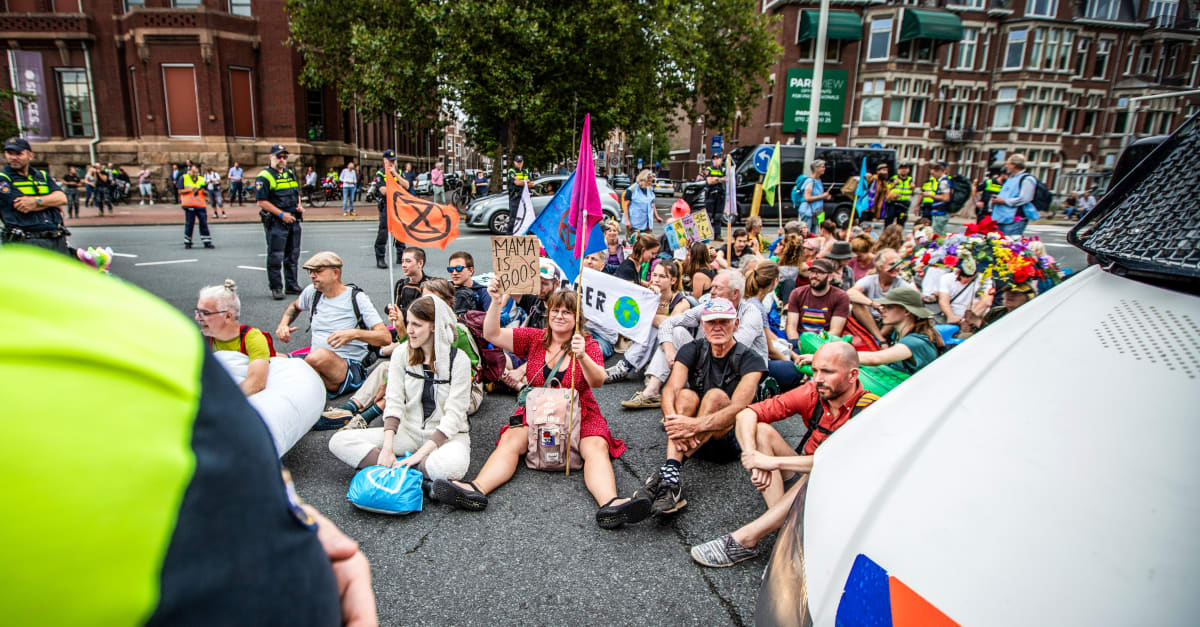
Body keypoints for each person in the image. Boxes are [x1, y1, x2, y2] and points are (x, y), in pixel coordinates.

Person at [0, 246, 376, 625]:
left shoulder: (245, 337)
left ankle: (350, 408)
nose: (197, 318)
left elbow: (254, 391)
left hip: (343, 365)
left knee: (310, 361)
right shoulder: (182, 342)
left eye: (204, 313)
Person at [429, 283, 654, 530]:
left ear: (577, 318)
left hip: (580, 411)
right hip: (538, 410)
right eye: (555, 310)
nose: (559, 316)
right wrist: (495, 302)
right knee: (511, 441)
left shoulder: (587, 345)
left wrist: (582, 357)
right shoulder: (535, 338)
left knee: (596, 447)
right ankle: (476, 490)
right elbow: (491, 334)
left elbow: (598, 380)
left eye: (567, 312)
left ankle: (610, 505)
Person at [689, 341, 877, 567]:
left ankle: (746, 539)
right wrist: (751, 456)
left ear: (852, 375)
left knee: (817, 474)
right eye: (815, 370)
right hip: (804, 471)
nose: (817, 378)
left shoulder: (869, 410)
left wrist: (770, 462)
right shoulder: (813, 391)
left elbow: (837, 463)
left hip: (840, 489)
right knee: (760, 431)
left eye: (827, 372)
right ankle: (784, 524)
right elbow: (747, 414)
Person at [629, 297, 766, 518]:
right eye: (712, 322)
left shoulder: (751, 359)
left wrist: (692, 425)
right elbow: (670, 390)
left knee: (715, 397)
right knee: (684, 395)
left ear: (736, 324)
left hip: (727, 439)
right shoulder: (693, 349)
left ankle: (665, 474)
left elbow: (739, 407)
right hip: (689, 436)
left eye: (724, 321)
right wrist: (675, 422)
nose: (718, 327)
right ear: (703, 325)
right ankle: (671, 476)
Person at [329, 295, 472, 481]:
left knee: (451, 468)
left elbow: (454, 415)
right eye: (408, 322)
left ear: (434, 326)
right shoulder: (400, 353)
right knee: (339, 441)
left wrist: (418, 455)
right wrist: (387, 449)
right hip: (407, 433)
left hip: (448, 437)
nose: (409, 331)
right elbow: (394, 401)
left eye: (417, 325)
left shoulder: (459, 360)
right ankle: (412, 474)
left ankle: (403, 470)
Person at [623, 269, 766, 409]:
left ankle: (696, 406)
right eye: (712, 286)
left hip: (738, 370)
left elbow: (732, 348)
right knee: (677, 331)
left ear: (735, 293)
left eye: (717, 288)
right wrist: (669, 349)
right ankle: (652, 391)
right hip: (710, 364)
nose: (711, 291)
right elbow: (668, 323)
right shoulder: (708, 306)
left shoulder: (751, 313)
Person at [276, 251, 391, 398]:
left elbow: (385, 337)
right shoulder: (312, 292)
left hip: (348, 366)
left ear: (335, 273)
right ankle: (303, 380)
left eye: (318, 271)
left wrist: (354, 333)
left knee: (318, 357)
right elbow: (295, 307)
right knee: (271, 358)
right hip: (313, 359)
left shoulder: (356, 298)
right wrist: (283, 324)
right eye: (310, 272)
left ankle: (299, 378)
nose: (312, 275)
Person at [605, 259, 692, 383]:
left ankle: (626, 366)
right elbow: (633, 317)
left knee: (659, 328)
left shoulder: (682, 302)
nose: (656, 280)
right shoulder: (649, 295)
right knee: (655, 326)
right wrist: (649, 298)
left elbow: (670, 324)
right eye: (654, 275)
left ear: (673, 280)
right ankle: (638, 365)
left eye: (662, 276)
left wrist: (650, 316)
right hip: (646, 342)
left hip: (673, 349)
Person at [195, 279, 273, 396]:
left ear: (227, 316)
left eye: (205, 313)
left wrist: (221, 400)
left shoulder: (252, 338)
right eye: (197, 312)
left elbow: (256, 383)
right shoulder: (201, 339)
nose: (197, 318)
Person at [0, 138, 69, 253]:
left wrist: (36, 201)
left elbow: (62, 198)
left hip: (56, 239)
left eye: (18, 154)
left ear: (30, 156)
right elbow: (22, 205)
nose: (13, 157)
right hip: (25, 242)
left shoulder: (42, 175)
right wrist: (51, 202)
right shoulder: (3, 178)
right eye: (9, 153)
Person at [854, 287, 942, 375]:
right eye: (883, 306)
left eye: (889, 307)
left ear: (906, 311)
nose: (882, 310)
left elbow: (875, 359)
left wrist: (842, 355)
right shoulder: (897, 333)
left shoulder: (915, 341)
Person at [257, 144, 304, 300]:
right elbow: (262, 201)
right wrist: (282, 214)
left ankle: (291, 284)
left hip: (293, 220)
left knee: (293, 255)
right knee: (276, 256)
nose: (282, 159)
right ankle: (277, 287)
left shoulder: (289, 173)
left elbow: (296, 192)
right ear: (271, 157)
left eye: (285, 157)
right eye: (279, 156)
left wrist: (299, 205)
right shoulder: (264, 176)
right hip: (277, 221)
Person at [846, 249, 910, 343]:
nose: (896, 267)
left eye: (898, 264)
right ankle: (879, 339)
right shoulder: (870, 280)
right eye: (891, 264)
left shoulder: (902, 284)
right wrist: (872, 303)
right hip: (868, 320)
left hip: (888, 323)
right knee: (857, 304)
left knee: (898, 310)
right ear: (880, 267)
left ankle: (879, 339)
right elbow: (850, 293)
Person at [785, 258, 849, 342]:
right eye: (812, 272)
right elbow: (791, 327)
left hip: (824, 340)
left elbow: (835, 331)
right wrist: (796, 342)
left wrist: (815, 343)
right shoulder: (797, 293)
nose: (814, 275)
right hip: (800, 338)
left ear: (830, 277)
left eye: (820, 272)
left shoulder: (841, 296)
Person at [373, 150, 408, 268]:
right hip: (386, 206)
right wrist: (398, 189)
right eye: (390, 161)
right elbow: (383, 190)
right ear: (384, 160)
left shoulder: (399, 172)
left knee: (400, 232)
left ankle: (400, 256)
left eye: (394, 161)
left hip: (398, 205)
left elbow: (407, 185)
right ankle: (380, 258)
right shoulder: (380, 174)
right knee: (383, 232)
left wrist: (395, 174)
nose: (392, 163)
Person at [991, 154, 1040, 237]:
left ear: (1014, 165)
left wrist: (1004, 201)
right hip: (1000, 218)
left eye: (1008, 164)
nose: (1006, 166)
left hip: (1014, 219)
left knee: (1010, 245)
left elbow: (1025, 198)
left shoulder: (1026, 179)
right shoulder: (1010, 179)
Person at [936, 257, 983, 326]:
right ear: (958, 271)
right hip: (952, 316)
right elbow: (943, 301)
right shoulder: (947, 278)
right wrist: (951, 316)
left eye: (968, 277)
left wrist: (968, 319)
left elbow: (985, 302)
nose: (965, 280)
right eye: (963, 276)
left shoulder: (982, 280)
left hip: (971, 318)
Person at [177, 163, 213, 250]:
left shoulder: (201, 179)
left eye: (196, 172)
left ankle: (207, 242)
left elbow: (205, 191)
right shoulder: (184, 177)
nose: (195, 174)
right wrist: (190, 189)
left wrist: (204, 192)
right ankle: (188, 242)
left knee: (204, 223)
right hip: (189, 204)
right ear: (189, 171)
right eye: (193, 172)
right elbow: (180, 191)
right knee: (190, 223)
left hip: (200, 204)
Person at [393, 247, 431, 320]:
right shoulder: (400, 284)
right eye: (402, 261)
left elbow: (423, 312)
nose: (403, 265)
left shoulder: (429, 285)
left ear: (420, 263)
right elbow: (396, 307)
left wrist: (399, 312)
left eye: (408, 261)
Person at [622, 169, 661, 235]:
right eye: (649, 181)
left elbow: (652, 204)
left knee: (648, 243)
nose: (650, 183)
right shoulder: (632, 189)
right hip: (634, 224)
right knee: (635, 244)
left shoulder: (649, 189)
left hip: (647, 225)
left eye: (651, 182)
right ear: (644, 179)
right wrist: (627, 221)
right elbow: (626, 205)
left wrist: (657, 217)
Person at [797, 159, 830, 233]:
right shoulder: (810, 181)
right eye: (822, 167)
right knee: (807, 234)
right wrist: (822, 196)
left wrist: (825, 196)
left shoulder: (818, 180)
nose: (824, 168)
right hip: (808, 212)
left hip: (817, 212)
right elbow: (807, 198)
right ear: (816, 168)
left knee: (816, 234)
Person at [921, 162, 952, 234]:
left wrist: (930, 195)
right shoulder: (943, 181)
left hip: (940, 212)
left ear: (939, 171)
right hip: (938, 212)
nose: (932, 176)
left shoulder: (944, 182)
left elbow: (945, 198)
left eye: (933, 174)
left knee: (937, 234)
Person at [703, 154, 727, 240]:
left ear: (721, 160)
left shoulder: (723, 169)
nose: (716, 160)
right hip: (710, 195)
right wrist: (719, 179)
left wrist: (716, 179)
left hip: (720, 196)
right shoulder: (709, 169)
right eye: (714, 159)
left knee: (718, 216)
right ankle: (705, 236)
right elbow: (709, 181)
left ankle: (717, 235)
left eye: (717, 158)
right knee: (708, 216)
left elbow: (726, 179)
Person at [506, 155, 531, 235]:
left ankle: (522, 235)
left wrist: (521, 181)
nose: (519, 164)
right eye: (518, 162)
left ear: (523, 162)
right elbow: (516, 182)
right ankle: (509, 237)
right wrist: (526, 181)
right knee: (513, 218)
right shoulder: (511, 171)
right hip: (515, 197)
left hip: (525, 198)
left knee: (526, 218)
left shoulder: (526, 171)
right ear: (514, 162)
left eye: (521, 162)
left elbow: (532, 184)